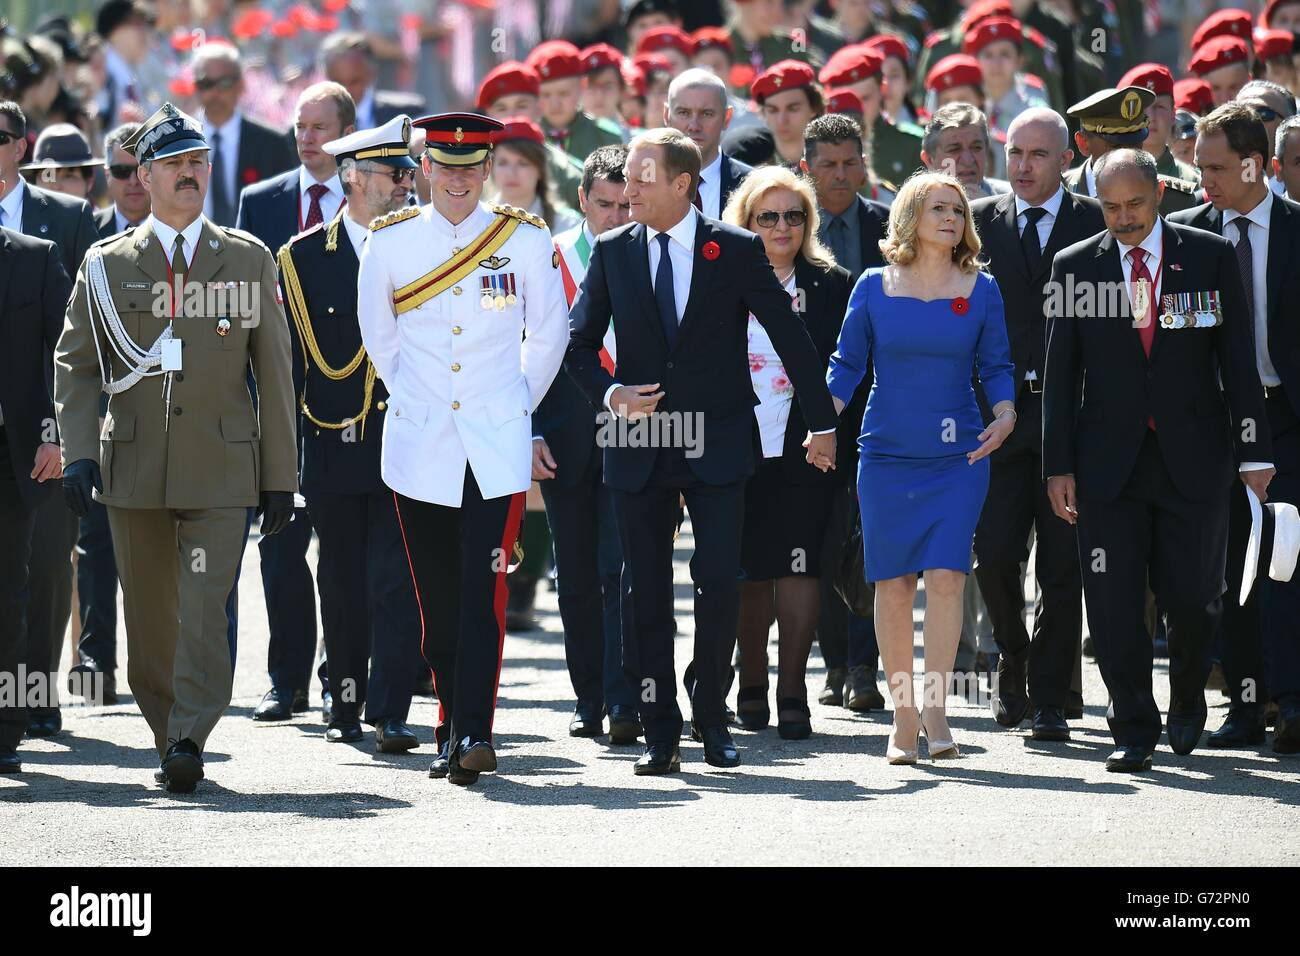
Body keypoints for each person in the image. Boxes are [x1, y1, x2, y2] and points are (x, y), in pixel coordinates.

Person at [566, 127, 838, 775]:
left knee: (719, 580)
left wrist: (822, 422)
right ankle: (660, 728)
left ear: (682, 184)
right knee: (643, 591)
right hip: (641, 442)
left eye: (640, 178)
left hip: (717, 441)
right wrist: (611, 397)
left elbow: (791, 336)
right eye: (625, 179)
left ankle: (711, 719)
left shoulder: (735, 249)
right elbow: (575, 346)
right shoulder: (612, 251)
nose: (625, 189)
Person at [54, 103, 298, 793]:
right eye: (175, 165)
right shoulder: (106, 264)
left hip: (222, 469)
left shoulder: (247, 259)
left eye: (198, 162)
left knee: (202, 608)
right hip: (133, 469)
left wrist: (280, 476)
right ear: (147, 176)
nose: (190, 174)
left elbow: (274, 376)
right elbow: (74, 366)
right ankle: (168, 733)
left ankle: (191, 732)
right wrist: (78, 453)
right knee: (150, 623)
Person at [1043, 148, 1273, 772]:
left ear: (1160, 195)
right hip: (1107, 466)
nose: (1122, 219)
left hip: (1195, 459)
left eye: (1134, 205)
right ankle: (1132, 726)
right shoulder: (1074, 267)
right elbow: (1061, 379)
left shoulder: (1209, 254)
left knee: (1196, 597)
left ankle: (1188, 700)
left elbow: (1238, 362)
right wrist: (1056, 466)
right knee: (1114, 601)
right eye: (1110, 207)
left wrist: (1254, 448)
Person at [356, 112, 569, 786]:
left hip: (494, 442)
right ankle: (448, 719)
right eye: (444, 169)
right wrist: (417, 398)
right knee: (437, 597)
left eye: (470, 168)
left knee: (483, 590)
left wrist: (513, 401)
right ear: (424, 169)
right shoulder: (390, 243)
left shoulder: (524, 241)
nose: (457, 180)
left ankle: (475, 729)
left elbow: (549, 333)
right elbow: (379, 336)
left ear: (486, 171)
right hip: (421, 445)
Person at [826, 171, 1016, 764]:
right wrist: (816, 420)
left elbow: (998, 364)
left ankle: (936, 711)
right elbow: (846, 366)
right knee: (892, 583)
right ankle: (902, 716)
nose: (951, 219)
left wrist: (1006, 414)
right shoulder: (873, 285)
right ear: (910, 216)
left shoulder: (981, 287)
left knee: (948, 577)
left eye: (958, 210)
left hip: (959, 454)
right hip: (885, 455)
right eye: (939, 208)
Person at [278, 115, 425, 751]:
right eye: (395, 173)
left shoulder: (428, 246)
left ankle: (391, 710)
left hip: (411, 438)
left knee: (398, 579)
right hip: (333, 441)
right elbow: (288, 367)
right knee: (338, 580)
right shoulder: (304, 258)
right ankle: (345, 701)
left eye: (408, 172)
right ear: (352, 178)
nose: (407, 184)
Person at [1168, 103, 1300, 754]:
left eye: (1216, 169)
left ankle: (1293, 703)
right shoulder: (1183, 237)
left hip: (1288, 418)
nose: (1204, 183)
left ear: (1256, 164)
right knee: (1227, 571)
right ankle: (1244, 705)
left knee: (1287, 559)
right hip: (1212, 423)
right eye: (1198, 168)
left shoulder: (1299, 231)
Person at [971, 107, 1104, 739]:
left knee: (1062, 564)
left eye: (1039, 155)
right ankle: (1014, 654)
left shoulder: (1094, 223)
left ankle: (1050, 697)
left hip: (1070, 422)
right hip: (994, 421)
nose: (1022, 166)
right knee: (993, 554)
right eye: (1015, 152)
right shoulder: (974, 224)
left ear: (1067, 160)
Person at [236, 81, 356, 723]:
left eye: (320, 128)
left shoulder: (374, 201)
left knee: (345, 551)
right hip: (277, 406)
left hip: (350, 403)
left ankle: (345, 677)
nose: (307, 139)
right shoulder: (261, 202)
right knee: (279, 545)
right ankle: (286, 680)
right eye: (300, 127)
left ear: (346, 134)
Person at [723, 165, 853, 739]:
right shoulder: (718, 280)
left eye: (794, 215)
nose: (782, 226)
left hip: (809, 446)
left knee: (801, 564)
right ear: (745, 221)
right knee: (750, 570)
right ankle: (751, 682)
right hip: (737, 442)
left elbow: (853, 369)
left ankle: (792, 688)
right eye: (767, 216)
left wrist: (831, 428)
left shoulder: (833, 284)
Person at [536, 145, 642, 745]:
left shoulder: (649, 254)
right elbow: (518, 351)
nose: (616, 216)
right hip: (563, 436)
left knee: (622, 569)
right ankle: (589, 698)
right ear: (582, 200)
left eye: (627, 204)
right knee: (575, 575)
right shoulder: (546, 256)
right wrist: (526, 431)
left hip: (637, 432)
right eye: (605, 205)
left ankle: (626, 697)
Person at [0, 99, 96, 741]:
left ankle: (25, 707)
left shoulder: (46, 237)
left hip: (26, 442)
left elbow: (73, 343)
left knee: (28, 578)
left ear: (20, 144)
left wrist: (60, 432)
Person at [800, 111, 889, 710]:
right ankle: (835, 660)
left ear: (864, 163)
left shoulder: (888, 228)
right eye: (826, 164)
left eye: (849, 162)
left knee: (870, 533)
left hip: (882, 401)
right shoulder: (786, 225)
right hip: (809, 403)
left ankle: (863, 666)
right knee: (821, 531)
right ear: (805, 168)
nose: (839, 174)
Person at [0, 224, 71, 774]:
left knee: (7, 591)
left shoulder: (35, 258)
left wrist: (58, 435)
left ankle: (5, 727)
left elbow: (68, 355)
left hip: (13, 452)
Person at [191, 43, 297, 227]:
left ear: (240, 85)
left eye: (224, 83)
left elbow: (287, 206)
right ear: (196, 87)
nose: (215, 93)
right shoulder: (178, 142)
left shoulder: (273, 143)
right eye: (206, 84)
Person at [1065, 87, 1202, 216]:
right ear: (1083, 143)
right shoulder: (1057, 194)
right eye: (1117, 148)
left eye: (1136, 147)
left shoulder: (1176, 200)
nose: (1128, 157)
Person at [664, 68, 753, 220]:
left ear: (727, 118)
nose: (694, 125)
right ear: (666, 115)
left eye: (707, 114)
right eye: (683, 112)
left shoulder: (751, 185)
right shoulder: (644, 180)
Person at [526, 41, 624, 165]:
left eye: (563, 94)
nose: (555, 104)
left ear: (582, 86)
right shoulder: (526, 140)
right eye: (545, 95)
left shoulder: (606, 138)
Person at [489, 117, 580, 234]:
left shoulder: (568, 227)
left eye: (523, 164)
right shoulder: (473, 222)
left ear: (540, 170)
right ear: (490, 167)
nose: (511, 172)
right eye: (503, 163)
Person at [920, 103, 1011, 200]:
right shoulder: (913, 208)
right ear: (929, 160)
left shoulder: (1016, 201)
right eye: (954, 149)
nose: (968, 160)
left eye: (976, 147)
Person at [752, 60, 824, 168]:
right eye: (773, 110)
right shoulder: (752, 164)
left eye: (793, 109)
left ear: (813, 107)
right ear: (763, 113)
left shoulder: (832, 159)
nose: (782, 120)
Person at [19, 123, 100, 200]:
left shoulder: (107, 214)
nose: (56, 186)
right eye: (48, 176)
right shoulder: (22, 214)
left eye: (68, 176)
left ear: (89, 181)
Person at [95, 121, 148, 236]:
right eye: (122, 171)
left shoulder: (179, 229)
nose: (133, 181)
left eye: (142, 171)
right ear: (107, 175)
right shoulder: (87, 229)